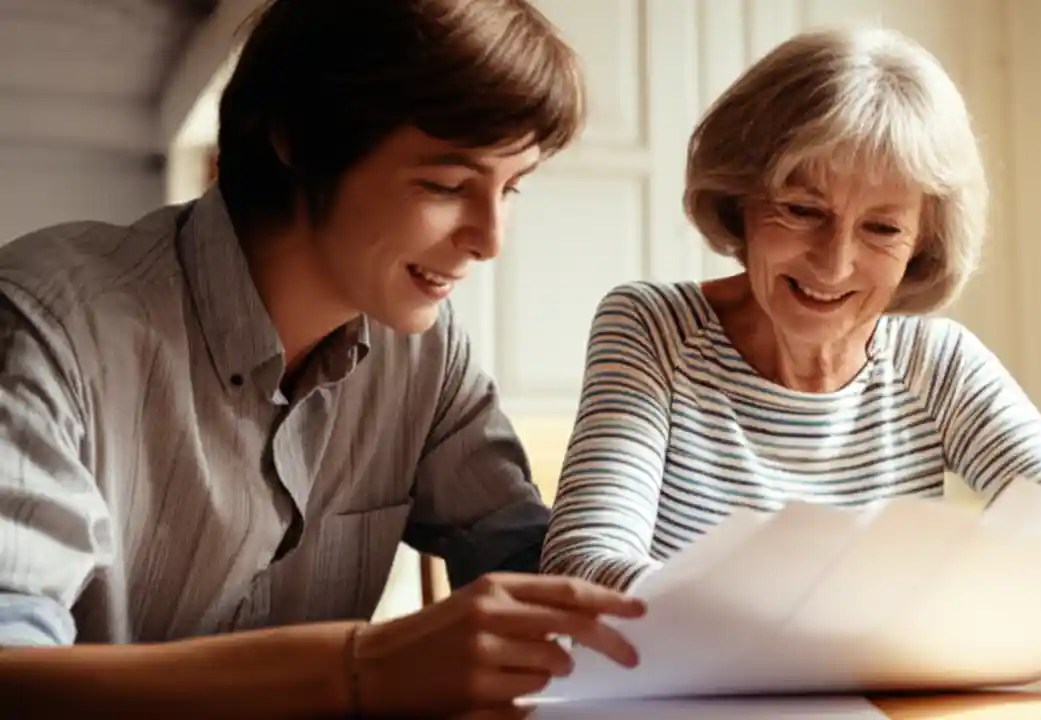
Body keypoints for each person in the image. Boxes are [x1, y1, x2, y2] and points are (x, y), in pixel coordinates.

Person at [0, 0, 643, 716]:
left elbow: (529, 565)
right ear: (301, 141)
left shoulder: (426, 352)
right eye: (447, 186)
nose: (491, 239)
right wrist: (362, 669)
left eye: (512, 187)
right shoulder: (47, 325)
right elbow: (11, 670)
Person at [541, 27, 1041, 690]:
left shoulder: (936, 361)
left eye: (882, 228)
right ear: (739, 202)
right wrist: (802, 627)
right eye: (802, 210)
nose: (834, 262)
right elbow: (581, 564)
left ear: (922, 243)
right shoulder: (654, 328)